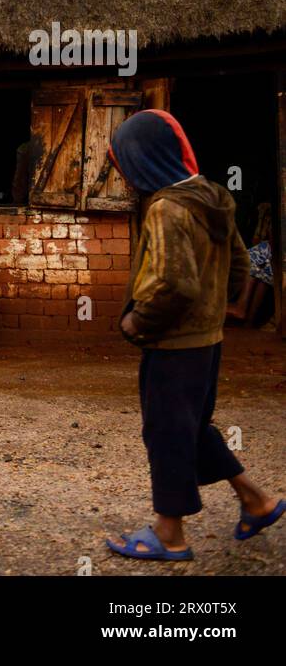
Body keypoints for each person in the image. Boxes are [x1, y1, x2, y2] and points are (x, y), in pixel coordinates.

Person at [104, 109, 283, 561]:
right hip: (208, 342)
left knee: (166, 434)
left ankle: (169, 534)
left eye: (124, 163)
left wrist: (137, 322)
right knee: (192, 429)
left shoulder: (166, 208)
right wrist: (210, 309)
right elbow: (241, 266)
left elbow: (173, 283)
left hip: (173, 345)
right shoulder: (213, 196)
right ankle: (255, 501)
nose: (124, 175)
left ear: (143, 159)